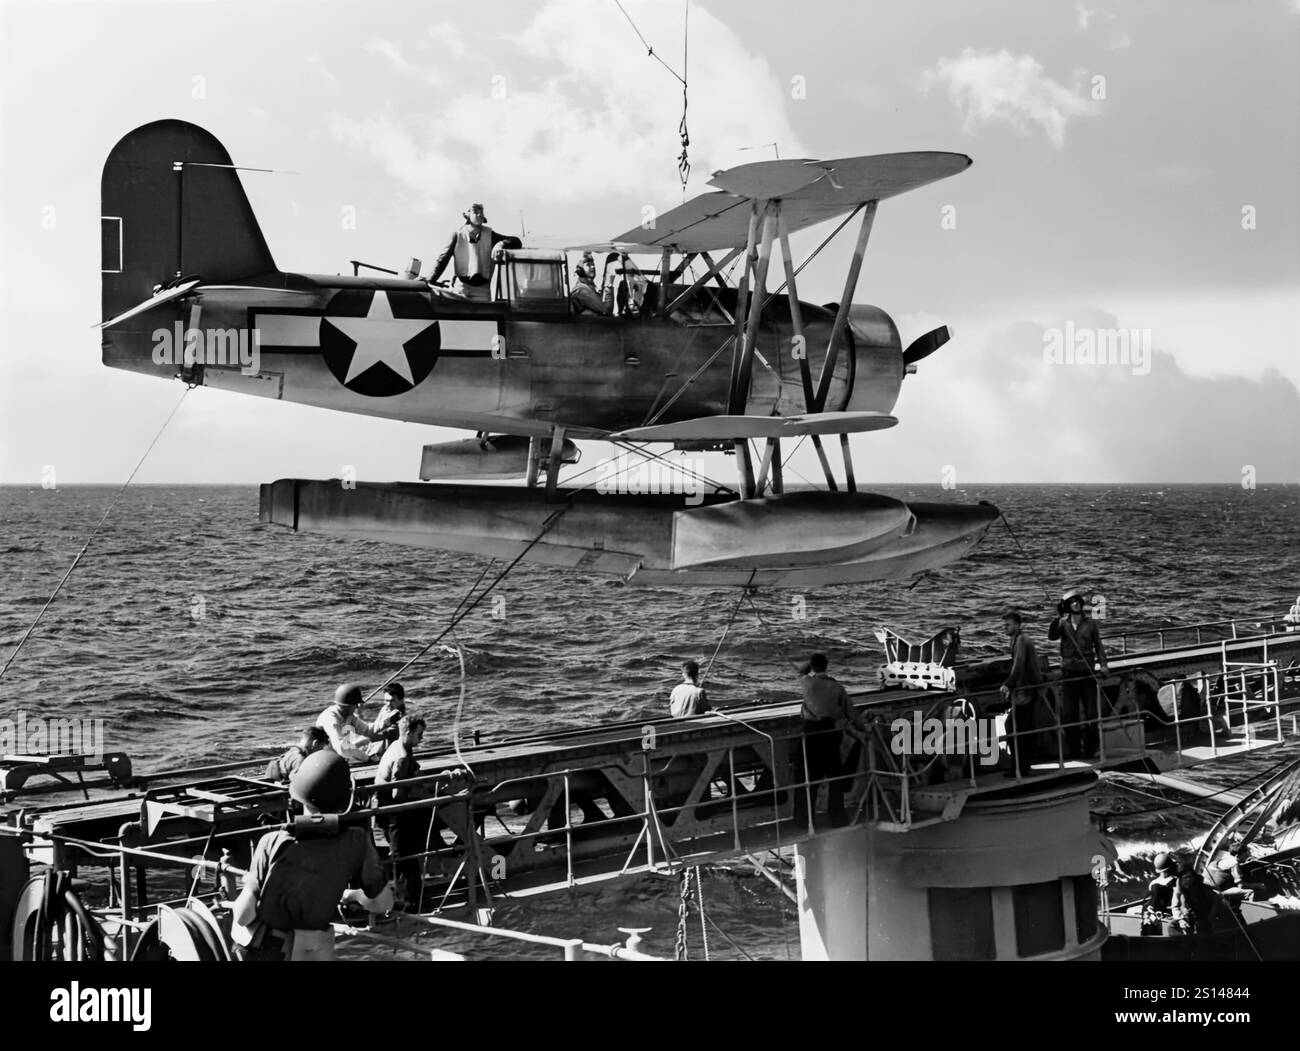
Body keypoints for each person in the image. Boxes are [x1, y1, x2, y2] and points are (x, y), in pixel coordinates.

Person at [231, 750, 389, 961]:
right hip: (313, 953)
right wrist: (353, 895)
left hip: (265, 951)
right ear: (345, 800)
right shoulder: (357, 841)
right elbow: (383, 904)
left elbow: (243, 915)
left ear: (297, 794)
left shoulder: (272, 841)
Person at [792, 653, 870, 828]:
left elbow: (801, 672)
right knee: (835, 779)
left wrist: (808, 666)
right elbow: (851, 714)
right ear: (827, 666)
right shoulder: (837, 688)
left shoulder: (807, 683)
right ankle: (837, 819)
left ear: (813, 666)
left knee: (807, 780)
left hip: (810, 735)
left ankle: (804, 821)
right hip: (831, 734)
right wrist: (863, 730)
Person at [374, 715, 433, 909]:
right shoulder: (401, 756)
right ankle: (412, 903)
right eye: (419, 734)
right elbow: (396, 793)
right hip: (394, 812)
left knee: (404, 856)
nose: (421, 739)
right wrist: (420, 799)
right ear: (408, 733)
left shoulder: (396, 746)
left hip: (385, 807)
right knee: (405, 857)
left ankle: (408, 899)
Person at [1048, 587, 1110, 760]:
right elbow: (1052, 637)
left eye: (1077, 601)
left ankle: (1090, 750)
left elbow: (1098, 646)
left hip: (1087, 672)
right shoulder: (1062, 624)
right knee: (1069, 715)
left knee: (1092, 714)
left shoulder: (1090, 624)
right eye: (1071, 602)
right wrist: (1056, 619)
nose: (1075, 604)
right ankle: (1075, 751)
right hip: (1068, 674)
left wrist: (1103, 665)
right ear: (1067, 606)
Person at [426, 203, 521, 301]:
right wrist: (429, 280)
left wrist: (501, 244)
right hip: (461, 287)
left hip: (482, 290)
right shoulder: (457, 235)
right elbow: (442, 259)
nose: (479, 215)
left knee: (481, 314)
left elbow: (516, 241)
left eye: (481, 212)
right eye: (475, 212)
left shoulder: (490, 234)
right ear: (467, 215)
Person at [999, 611, 1050, 776]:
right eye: (1004, 625)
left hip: (1027, 690)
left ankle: (1020, 766)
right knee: (1022, 726)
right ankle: (1022, 765)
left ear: (1017, 625)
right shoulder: (1016, 640)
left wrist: (1008, 684)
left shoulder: (1021, 640)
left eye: (1008, 625)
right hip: (1026, 689)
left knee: (1013, 726)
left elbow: (1019, 665)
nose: (1005, 628)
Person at [316, 683, 387, 763]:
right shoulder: (331, 719)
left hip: (339, 756)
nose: (357, 707)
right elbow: (342, 748)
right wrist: (367, 758)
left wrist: (387, 723)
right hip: (326, 760)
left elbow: (366, 730)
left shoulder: (348, 715)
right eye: (355, 704)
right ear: (347, 705)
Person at [1171, 856, 1229, 934]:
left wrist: (1211, 916)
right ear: (1181, 879)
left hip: (1204, 914)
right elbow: (1175, 906)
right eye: (1185, 877)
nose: (1188, 880)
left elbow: (1216, 900)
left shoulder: (1201, 886)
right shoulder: (1179, 888)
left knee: (1200, 927)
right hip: (1187, 914)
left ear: (1194, 877)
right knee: (1171, 926)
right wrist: (1180, 919)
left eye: (1189, 877)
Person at [264, 727, 329, 784]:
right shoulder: (300, 758)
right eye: (321, 748)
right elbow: (295, 780)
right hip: (275, 781)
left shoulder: (295, 750)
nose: (321, 751)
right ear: (315, 743)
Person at [570, 251, 609, 315]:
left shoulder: (588, 287)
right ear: (580, 270)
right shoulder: (582, 290)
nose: (593, 267)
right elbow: (605, 310)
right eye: (588, 265)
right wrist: (609, 285)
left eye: (593, 264)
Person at [370, 682, 407, 748]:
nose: (388, 704)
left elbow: (373, 737)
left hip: (389, 754)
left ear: (401, 700)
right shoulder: (385, 708)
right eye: (386, 700)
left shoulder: (399, 718)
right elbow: (374, 727)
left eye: (392, 700)